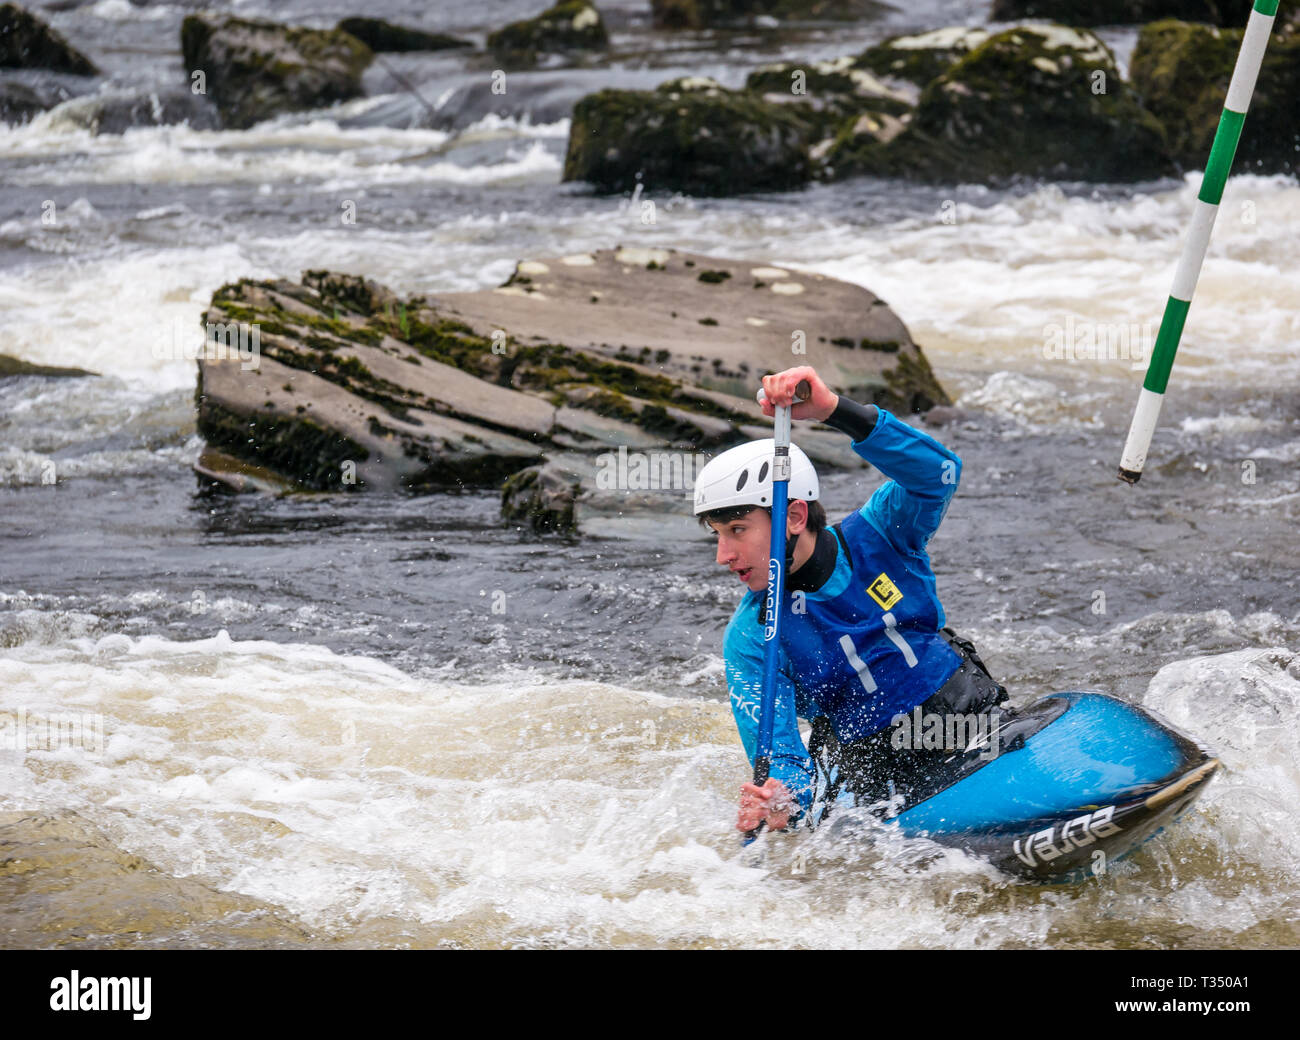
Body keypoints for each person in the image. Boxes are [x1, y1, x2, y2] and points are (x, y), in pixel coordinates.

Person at [693, 365, 1007, 834]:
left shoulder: (882, 531)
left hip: (963, 716)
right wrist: (779, 799)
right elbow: (783, 759)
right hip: (875, 771)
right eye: (717, 535)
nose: (724, 556)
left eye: (737, 530)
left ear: (794, 515)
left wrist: (833, 411)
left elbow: (937, 474)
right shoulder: (751, 638)